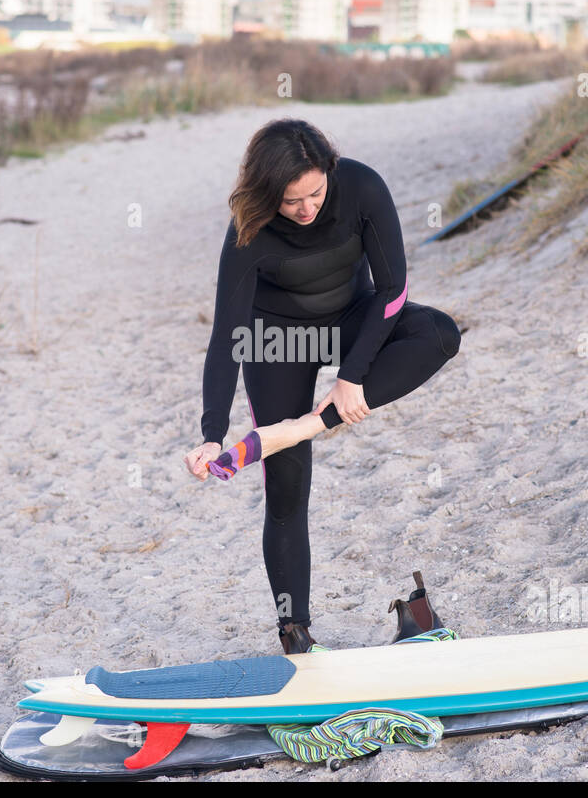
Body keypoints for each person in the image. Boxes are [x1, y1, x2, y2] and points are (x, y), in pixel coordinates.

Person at [184, 119, 461, 655]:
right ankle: (296, 633)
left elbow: (394, 290)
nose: (307, 208)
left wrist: (350, 377)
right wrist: (213, 433)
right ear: (268, 194)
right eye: (291, 201)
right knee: (287, 488)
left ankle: (301, 427)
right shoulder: (248, 228)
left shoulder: (361, 186)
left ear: (330, 173)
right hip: (277, 342)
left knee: (440, 333)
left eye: (315, 193)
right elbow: (227, 336)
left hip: (355, 318)